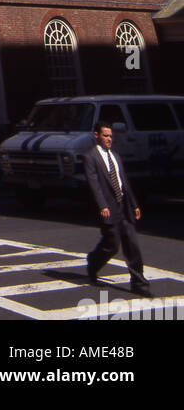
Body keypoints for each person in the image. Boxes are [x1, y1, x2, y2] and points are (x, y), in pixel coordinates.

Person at [84, 122, 151, 295]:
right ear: (96, 135)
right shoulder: (90, 157)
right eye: (105, 135)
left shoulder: (115, 156)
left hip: (123, 206)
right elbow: (94, 184)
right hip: (107, 207)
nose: (109, 139)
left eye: (111, 136)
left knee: (132, 244)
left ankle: (139, 283)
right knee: (111, 245)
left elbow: (124, 183)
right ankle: (93, 262)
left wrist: (134, 204)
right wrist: (102, 205)